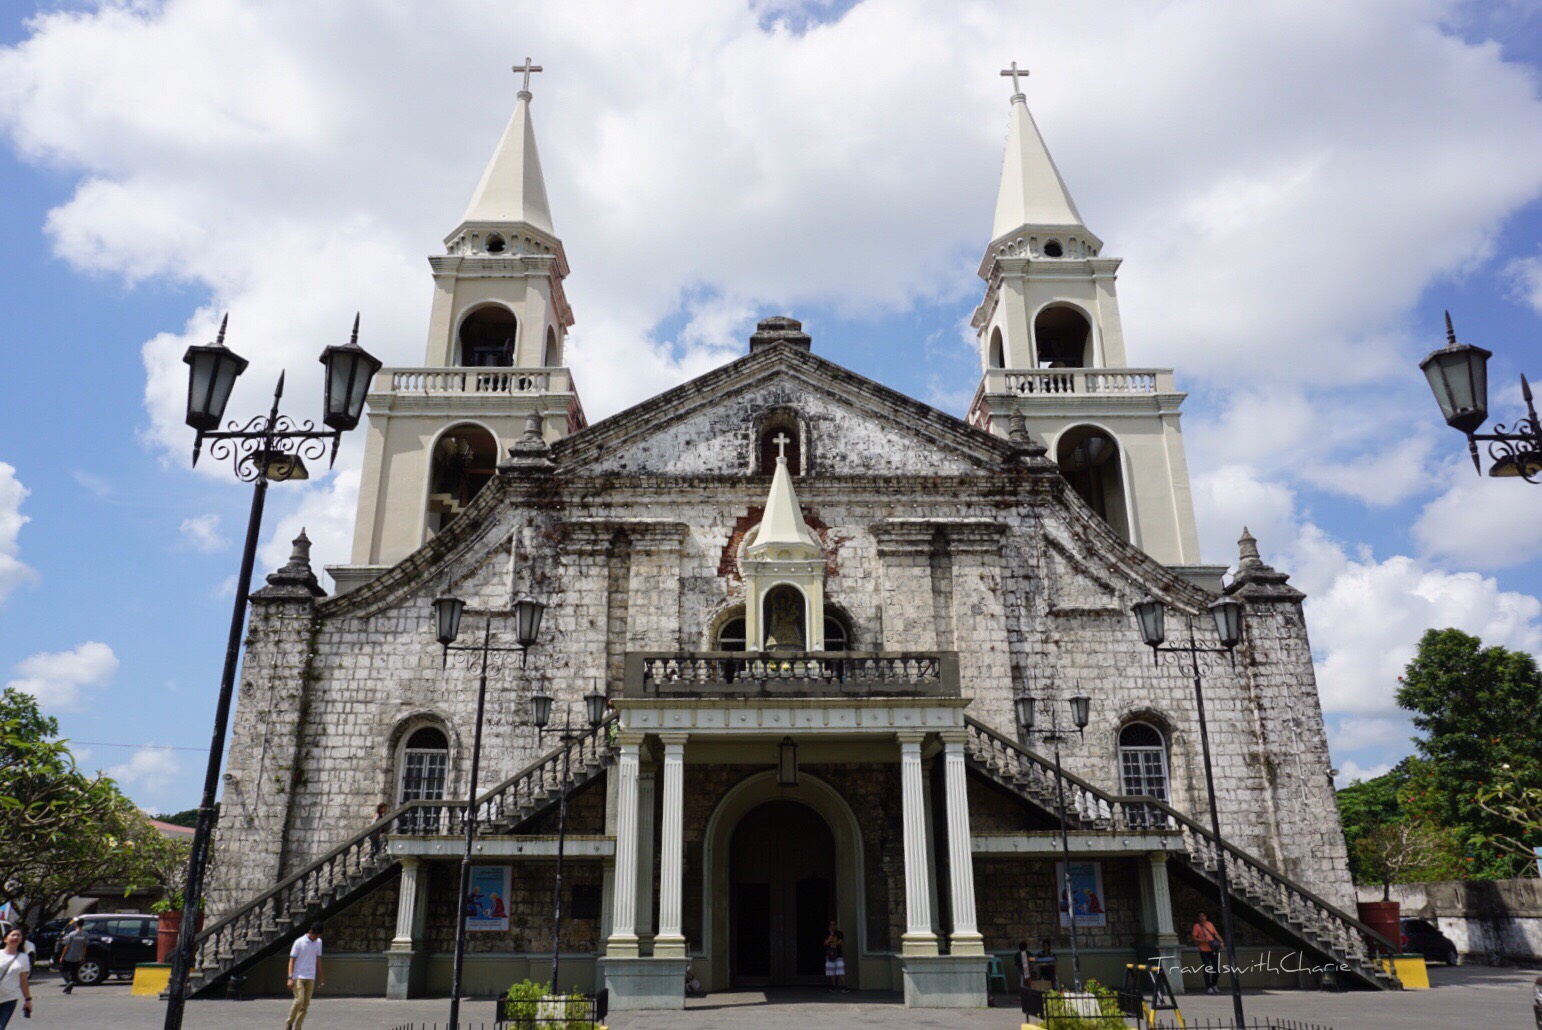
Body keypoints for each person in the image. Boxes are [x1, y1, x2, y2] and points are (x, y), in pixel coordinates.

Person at [284, 924, 324, 1030]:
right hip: (299, 977)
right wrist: (290, 977)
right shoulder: (299, 942)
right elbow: (291, 960)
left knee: (305, 1005)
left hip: (311, 977)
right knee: (299, 1000)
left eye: (319, 936)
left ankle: (298, 1027)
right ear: (310, 932)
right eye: (316, 936)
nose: (317, 938)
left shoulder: (318, 943)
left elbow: (318, 960)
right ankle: (289, 1023)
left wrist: (321, 977)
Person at [0, 928, 33, 1029]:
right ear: (5, 939)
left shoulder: (23, 958)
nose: (16, 937)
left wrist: (27, 1000)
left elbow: (23, 981)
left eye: (18, 935)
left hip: (9, 999)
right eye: (13, 935)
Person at [1192, 911, 1223, 994]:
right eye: (1200, 916)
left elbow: (1215, 934)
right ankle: (1208, 987)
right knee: (1207, 968)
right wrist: (1204, 940)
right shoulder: (1197, 926)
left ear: (1206, 917)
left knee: (1216, 968)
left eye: (1203, 916)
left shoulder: (1210, 924)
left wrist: (1221, 941)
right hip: (1203, 950)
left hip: (1212, 949)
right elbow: (1194, 938)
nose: (1201, 917)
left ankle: (1214, 985)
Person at [55, 919, 88, 994]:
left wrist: (62, 956)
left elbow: (67, 946)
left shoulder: (72, 934)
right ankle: (69, 988)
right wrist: (83, 956)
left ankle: (70, 982)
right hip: (78, 957)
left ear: (76, 924)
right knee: (73, 972)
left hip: (69, 956)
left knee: (63, 970)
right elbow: (84, 946)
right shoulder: (85, 934)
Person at [823, 920, 847, 992]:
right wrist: (830, 936)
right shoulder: (827, 933)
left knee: (841, 971)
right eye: (831, 925)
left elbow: (840, 942)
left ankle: (844, 987)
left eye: (834, 925)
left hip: (838, 955)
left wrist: (832, 943)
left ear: (836, 925)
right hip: (830, 955)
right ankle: (833, 986)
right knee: (831, 971)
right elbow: (825, 943)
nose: (832, 926)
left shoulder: (839, 933)